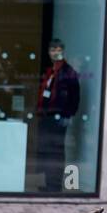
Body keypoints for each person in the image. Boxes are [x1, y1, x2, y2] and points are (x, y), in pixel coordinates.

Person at [34, 38, 81, 191]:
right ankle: (49, 184)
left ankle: (55, 185)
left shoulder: (69, 72)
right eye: (52, 50)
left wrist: (67, 115)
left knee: (56, 152)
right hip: (46, 117)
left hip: (59, 118)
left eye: (58, 50)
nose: (55, 53)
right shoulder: (50, 71)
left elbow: (75, 96)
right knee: (47, 151)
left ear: (62, 51)